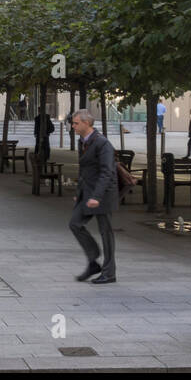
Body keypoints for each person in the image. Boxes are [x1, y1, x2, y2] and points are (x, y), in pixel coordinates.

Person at [69, 109, 117, 284]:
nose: (73, 126)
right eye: (73, 123)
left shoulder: (102, 144)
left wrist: (97, 196)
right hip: (87, 193)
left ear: (87, 123)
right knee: (75, 224)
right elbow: (84, 170)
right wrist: (78, 193)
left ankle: (109, 273)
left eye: (76, 123)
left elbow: (107, 172)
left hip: (102, 194)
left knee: (106, 233)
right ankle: (93, 261)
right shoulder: (83, 142)